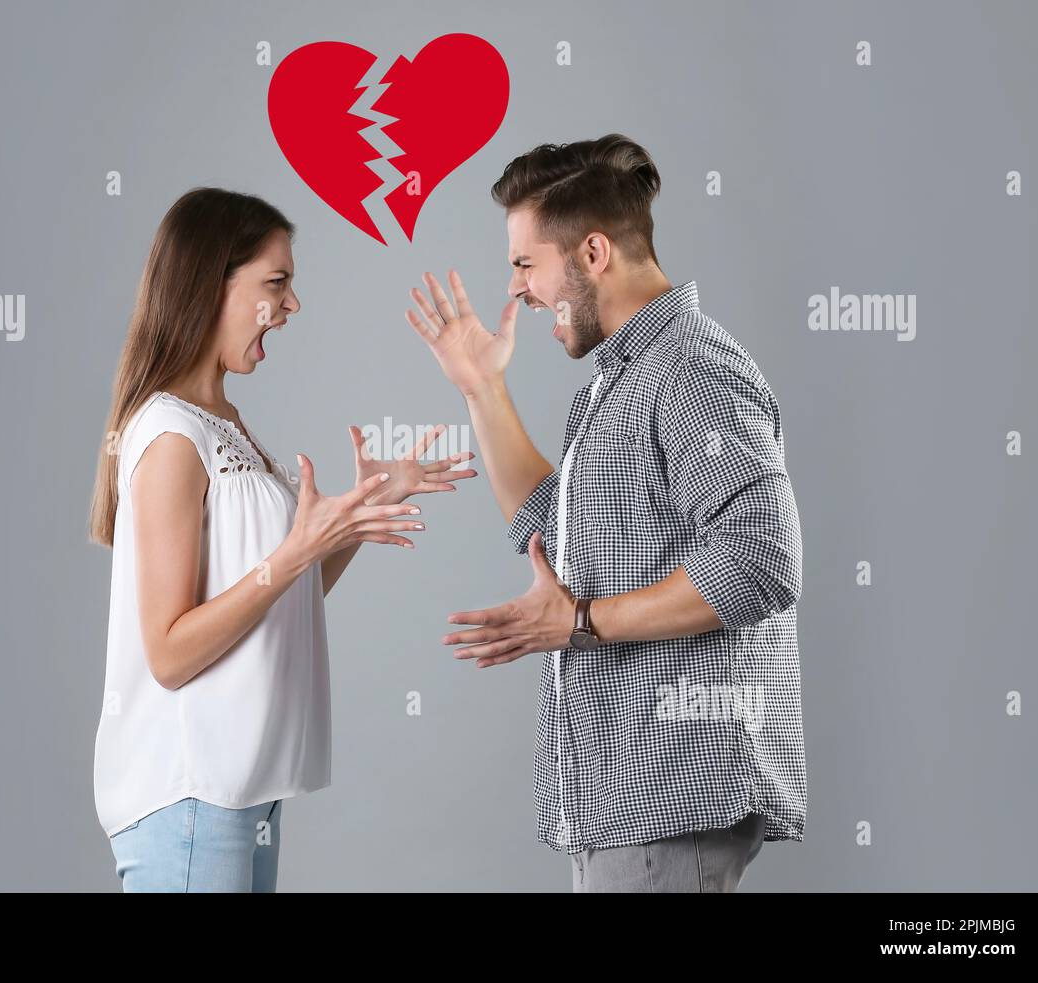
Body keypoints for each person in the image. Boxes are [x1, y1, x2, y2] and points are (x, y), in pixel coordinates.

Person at [407, 134, 806, 892]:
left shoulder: (689, 368)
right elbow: (560, 538)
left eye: (527, 264)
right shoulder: (618, 383)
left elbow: (761, 558)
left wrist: (582, 620)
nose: (518, 289)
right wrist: (482, 389)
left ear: (592, 254)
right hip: (633, 811)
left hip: (671, 804)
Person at [88, 187, 475, 892]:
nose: (291, 305)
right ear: (212, 282)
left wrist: (351, 522)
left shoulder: (225, 424)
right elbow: (171, 653)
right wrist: (295, 551)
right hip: (187, 795)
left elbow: (278, 597)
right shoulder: (171, 436)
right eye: (276, 283)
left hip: (239, 794)